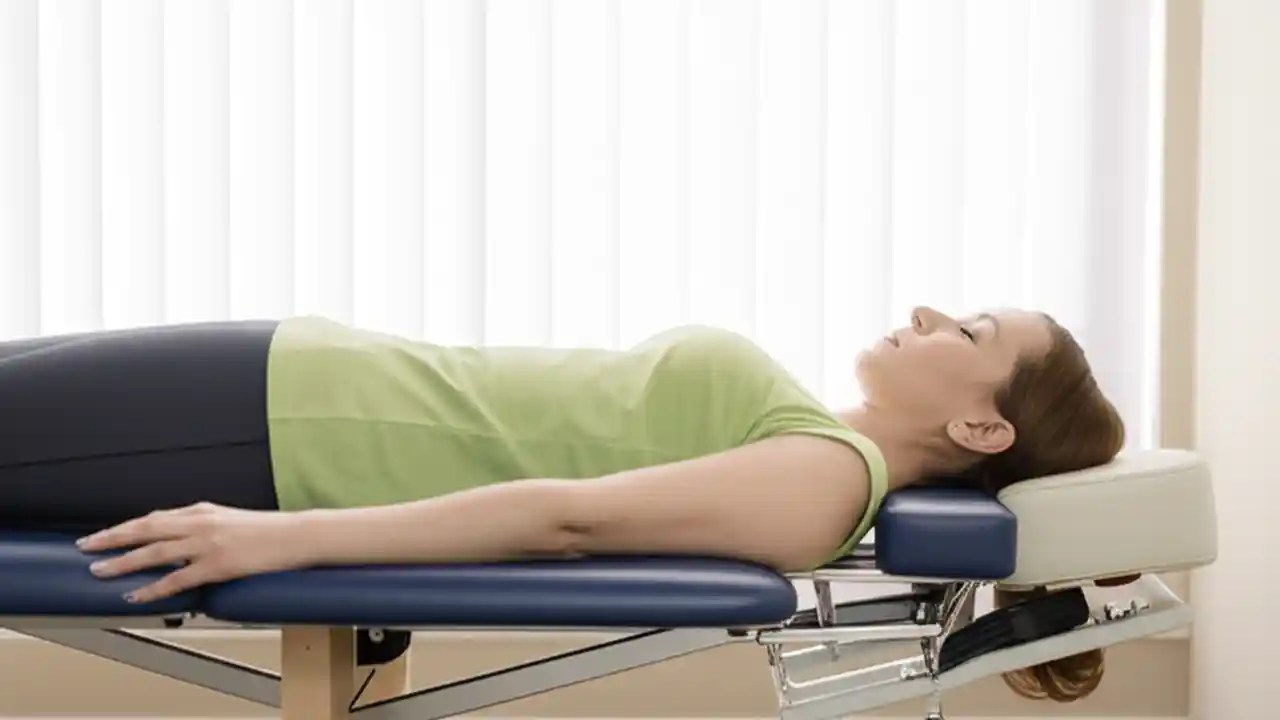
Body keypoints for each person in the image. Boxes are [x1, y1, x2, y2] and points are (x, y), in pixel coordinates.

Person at [0, 306, 1123, 701]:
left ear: (982, 429)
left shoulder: (824, 480)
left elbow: (563, 516)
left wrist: (271, 538)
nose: (928, 311)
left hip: (272, 434)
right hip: (287, 381)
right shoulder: (812, 439)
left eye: (967, 332)